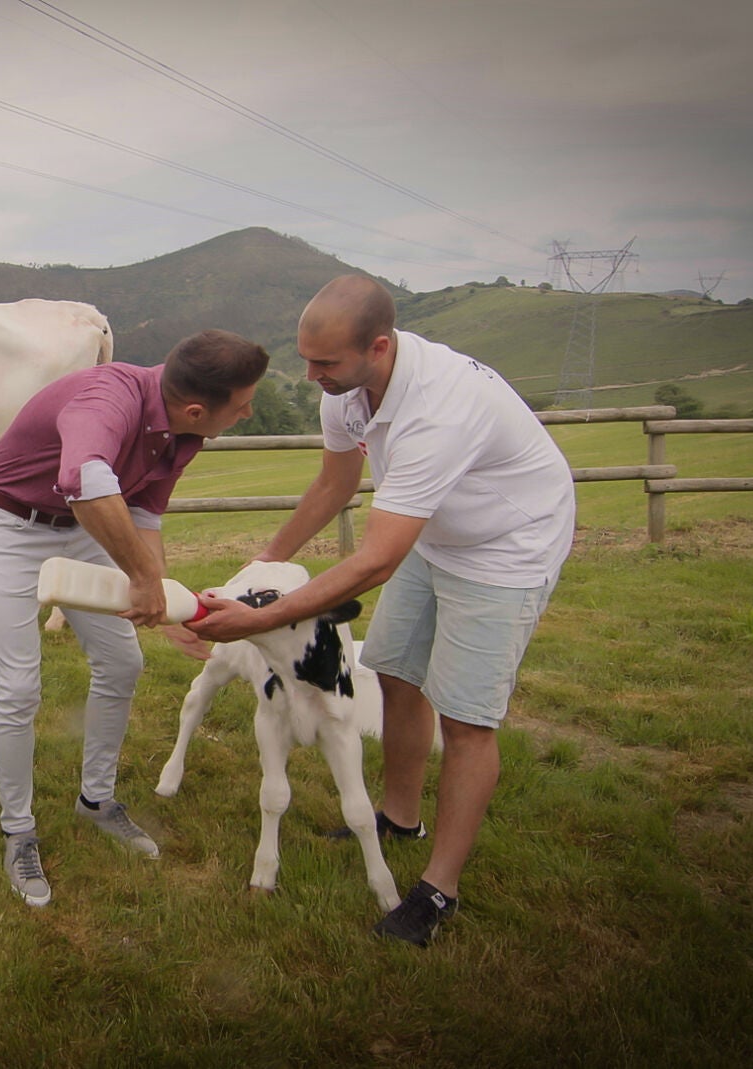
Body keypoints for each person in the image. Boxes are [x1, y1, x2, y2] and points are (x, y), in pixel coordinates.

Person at [186, 274, 575, 948]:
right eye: (306, 360)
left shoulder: (441, 407)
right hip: (434, 531)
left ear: (380, 347)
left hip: (506, 544)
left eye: (326, 364)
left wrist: (259, 617)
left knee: (467, 720)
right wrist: (261, 566)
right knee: (394, 672)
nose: (312, 376)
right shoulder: (346, 389)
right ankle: (399, 817)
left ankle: (437, 889)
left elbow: (373, 561)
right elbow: (335, 483)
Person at [0, 330, 268, 908]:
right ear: (196, 409)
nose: (249, 411)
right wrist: (143, 581)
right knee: (18, 685)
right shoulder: (108, 398)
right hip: (10, 523)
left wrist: (170, 606)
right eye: (243, 403)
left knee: (122, 660)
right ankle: (18, 829)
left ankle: (96, 800)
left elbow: (141, 515)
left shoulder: (183, 433)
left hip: (85, 527)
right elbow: (86, 481)